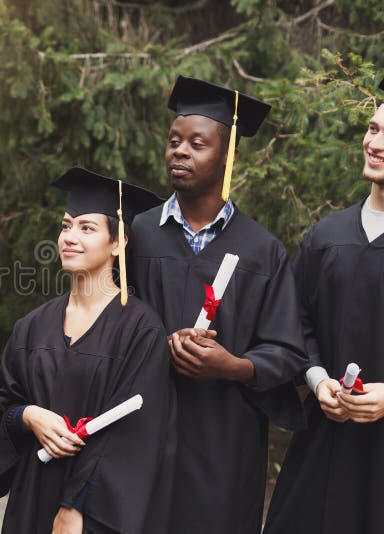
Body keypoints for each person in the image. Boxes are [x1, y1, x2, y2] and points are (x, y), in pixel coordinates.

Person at [129, 75, 309, 534]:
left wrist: (233, 365)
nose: (180, 151)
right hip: (142, 432)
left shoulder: (261, 250)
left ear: (227, 156)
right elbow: (107, 321)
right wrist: (156, 344)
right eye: (174, 141)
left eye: (197, 143)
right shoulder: (137, 233)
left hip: (224, 447)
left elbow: (287, 351)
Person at [0, 166, 175, 534]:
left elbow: (134, 437)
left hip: (96, 515)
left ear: (118, 242)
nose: (70, 237)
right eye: (65, 226)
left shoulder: (141, 331)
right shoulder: (33, 326)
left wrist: (75, 506)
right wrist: (28, 416)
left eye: (86, 228)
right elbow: (7, 404)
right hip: (30, 501)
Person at [263, 77, 384, 533]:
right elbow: (296, 324)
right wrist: (317, 382)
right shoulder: (326, 238)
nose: (374, 142)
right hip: (323, 444)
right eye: (372, 129)